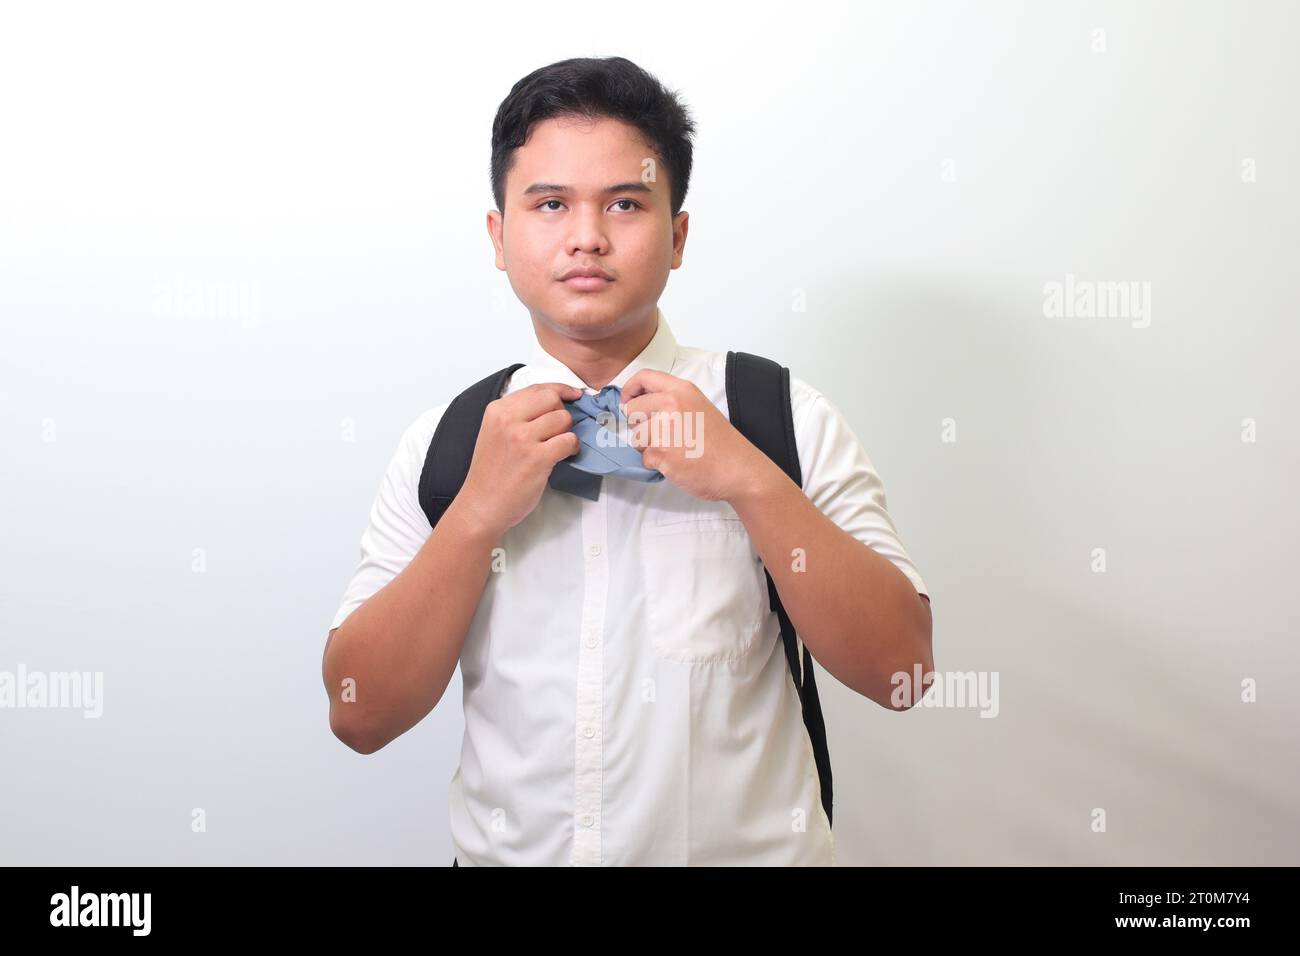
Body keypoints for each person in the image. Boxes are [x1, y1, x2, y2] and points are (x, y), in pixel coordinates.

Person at [322, 56, 933, 866]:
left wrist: (747, 477)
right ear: (499, 239)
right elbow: (360, 717)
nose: (586, 236)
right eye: (550, 204)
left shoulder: (782, 417)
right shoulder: (446, 444)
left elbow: (904, 672)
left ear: (677, 235)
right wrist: (474, 516)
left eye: (625, 202)